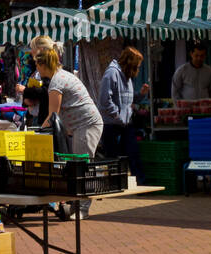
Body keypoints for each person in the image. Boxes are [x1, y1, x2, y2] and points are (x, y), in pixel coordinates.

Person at [35, 44, 103, 158]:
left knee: (80, 167)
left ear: (43, 65)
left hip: (86, 125)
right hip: (84, 124)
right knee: (77, 165)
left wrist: (37, 134)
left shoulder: (56, 83)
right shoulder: (62, 75)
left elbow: (53, 115)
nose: (36, 68)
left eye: (37, 64)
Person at [98, 47, 149, 178]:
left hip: (125, 123)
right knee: (112, 158)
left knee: (133, 154)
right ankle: (113, 185)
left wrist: (141, 95)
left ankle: (140, 184)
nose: (137, 69)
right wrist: (117, 115)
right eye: (136, 66)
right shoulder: (111, 74)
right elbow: (104, 100)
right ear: (129, 63)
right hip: (111, 124)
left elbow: (128, 99)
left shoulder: (127, 76)